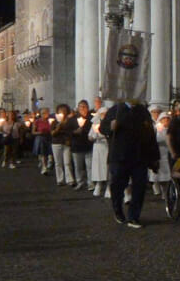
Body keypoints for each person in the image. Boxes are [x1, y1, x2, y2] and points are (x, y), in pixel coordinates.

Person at [105, 98, 158, 227]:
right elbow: (103, 127)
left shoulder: (143, 111)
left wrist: (154, 156)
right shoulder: (115, 109)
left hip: (139, 155)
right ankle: (117, 210)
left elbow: (150, 133)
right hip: (120, 156)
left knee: (139, 187)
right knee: (117, 185)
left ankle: (133, 216)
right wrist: (110, 127)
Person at [67, 100, 93, 190]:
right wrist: (75, 132)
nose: (82, 108)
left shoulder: (91, 119)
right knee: (78, 166)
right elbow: (67, 132)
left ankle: (90, 183)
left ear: (88, 108)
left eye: (84, 106)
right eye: (81, 106)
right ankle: (80, 182)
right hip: (77, 145)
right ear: (77, 108)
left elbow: (94, 129)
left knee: (89, 166)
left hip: (88, 145)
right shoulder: (72, 119)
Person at [89, 97, 110, 196]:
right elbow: (90, 136)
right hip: (98, 147)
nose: (104, 116)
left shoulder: (110, 124)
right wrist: (94, 135)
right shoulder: (95, 123)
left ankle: (109, 186)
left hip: (107, 147)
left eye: (105, 114)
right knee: (98, 167)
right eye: (102, 114)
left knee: (107, 167)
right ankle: (98, 184)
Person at [49, 104, 73, 186]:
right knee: (58, 162)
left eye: (64, 110)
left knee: (67, 162)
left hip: (66, 143)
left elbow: (71, 132)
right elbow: (52, 133)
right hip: (56, 143)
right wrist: (58, 127)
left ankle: (69, 179)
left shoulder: (69, 121)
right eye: (60, 110)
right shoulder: (54, 122)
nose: (62, 112)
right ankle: (60, 179)